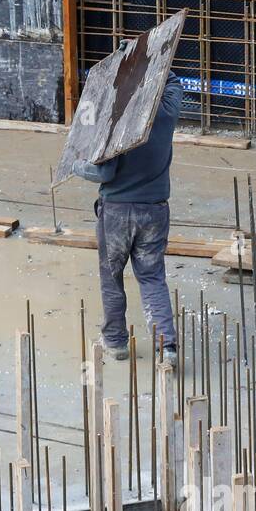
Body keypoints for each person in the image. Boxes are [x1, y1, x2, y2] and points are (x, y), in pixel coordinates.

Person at [73, 69, 183, 363]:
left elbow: (103, 172)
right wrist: (140, 57)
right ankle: (167, 346)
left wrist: (76, 165)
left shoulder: (116, 120)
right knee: (151, 277)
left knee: (112, 278)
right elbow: (171, 79)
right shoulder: (167, 110)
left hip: (117, 213)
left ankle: (116, 342)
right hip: (155, 210)